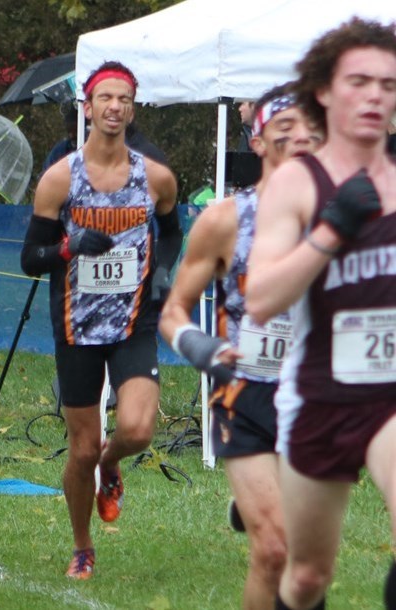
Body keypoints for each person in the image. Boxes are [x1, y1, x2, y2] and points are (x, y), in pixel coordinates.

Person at [245, 18, 396, 610]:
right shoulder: (298, 185)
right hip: (321, 395)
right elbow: (261, 298)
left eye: (388, 83)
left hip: (391, 393)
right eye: (359, 81)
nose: (375, 96)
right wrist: (333, 229)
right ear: (325, 92)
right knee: (306, 577)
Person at [159, 85, 319, 609]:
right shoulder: (226, 219)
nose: (299, 138)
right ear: (258, 140)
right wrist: (202, 348)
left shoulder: (342, 222)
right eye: (285, 127)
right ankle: (258, 502)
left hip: (317, 402)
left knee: (307, 565)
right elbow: (173, 312)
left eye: (310, 130)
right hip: (243, 395)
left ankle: (258, 501)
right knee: (273, 550)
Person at [19, 61, 179, 580]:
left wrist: (162, 275)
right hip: (77, 326)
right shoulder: (59, 179)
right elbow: (29, 258)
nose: (115, 107)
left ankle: (114, 464)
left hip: (135, 321)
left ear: (132, 109)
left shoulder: (154, 176)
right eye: (105, 98)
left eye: (124, 99)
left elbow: (173, 233)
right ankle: (83, 545)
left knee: (137, 429)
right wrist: (68, 246)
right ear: (87, 108)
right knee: (81, 448)